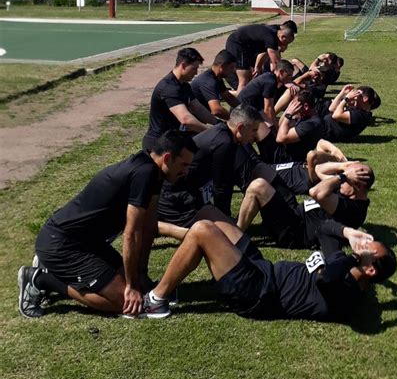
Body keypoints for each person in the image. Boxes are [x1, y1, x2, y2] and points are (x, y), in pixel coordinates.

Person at [18, 131, 198, 319]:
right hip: (62, 243)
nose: (185, 171)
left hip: (86, 243)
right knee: (125, 303)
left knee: (134, 288)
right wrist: (132, 286)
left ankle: (55, 267)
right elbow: (132, 233)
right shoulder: (145, 173)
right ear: (167, 158)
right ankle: (42, 279)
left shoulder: (155, 172)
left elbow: (149, 227)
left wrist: (140, 275)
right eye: (183, 165)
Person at [140, 210, 397, 320]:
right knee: (211, 216)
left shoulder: (348, 293)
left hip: (258, 293)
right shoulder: (343, 263)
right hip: (263, 268)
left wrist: (350, 256)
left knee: (202, 230)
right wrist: (349, 233)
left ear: (371, 268)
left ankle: (155, 299)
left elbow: (326, 278)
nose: (362, 245)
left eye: (368, 249)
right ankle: (192, 262)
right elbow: (324, 229)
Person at [157, 105, 263, 238]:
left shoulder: (224, 133)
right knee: (207, 232)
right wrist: (224, 220)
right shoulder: (224, 143)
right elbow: (221, 186)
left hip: (190, 190)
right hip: (175, 194)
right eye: (254, 130)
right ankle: (157, 226)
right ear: (240, 127)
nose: (255, 136)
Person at [237, 162, 374, 249]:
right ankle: (242, 216)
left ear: (358, 185)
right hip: (294, 212)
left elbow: (315, 192)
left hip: (294, 231)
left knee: (259, 186)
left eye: (348, 179)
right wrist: (344, 166)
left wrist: (343, 177)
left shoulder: (354, 210)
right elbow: (319, 169)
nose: (342, 179)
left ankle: (235, 235)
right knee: (263, 169)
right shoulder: (346, 191)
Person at [142, 47, 217, 150]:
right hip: (158, 144)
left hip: (172, 139)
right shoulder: (169, 87)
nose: (196, 73)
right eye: (194, 68)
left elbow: (197, 108)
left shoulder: (184, 85)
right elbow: (186, 120)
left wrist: (217, 123)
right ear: (183, 65)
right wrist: (211, 131)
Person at [225, 20, 297, 94]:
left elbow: (265, 53)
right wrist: (286, 82)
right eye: (287, 43)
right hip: (237, 44)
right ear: (283, 37)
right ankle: (239, 104)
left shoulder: (275, 32)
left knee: (250, 78)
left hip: (246, 47)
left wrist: (258, 67)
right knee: (244, 80)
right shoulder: (271, 37)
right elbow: (277, 64)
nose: (286, 46)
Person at [238, 59, 294, 127]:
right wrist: (275, 128)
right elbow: (268, 109)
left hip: (248, 109)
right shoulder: (271, 83)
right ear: (281, 72)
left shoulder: (269, 77)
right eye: (289, 75)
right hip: (243, 113)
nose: (290, 78)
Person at [190, 49, 240, 120]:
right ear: (222, 66)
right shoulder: (209, 81)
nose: (233, 70)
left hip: (202, 118)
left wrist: (243, 109)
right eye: (231, 67)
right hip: (192, 122)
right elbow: (216, 110)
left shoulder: (217, 77)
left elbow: (228, 97)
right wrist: (235, 121)